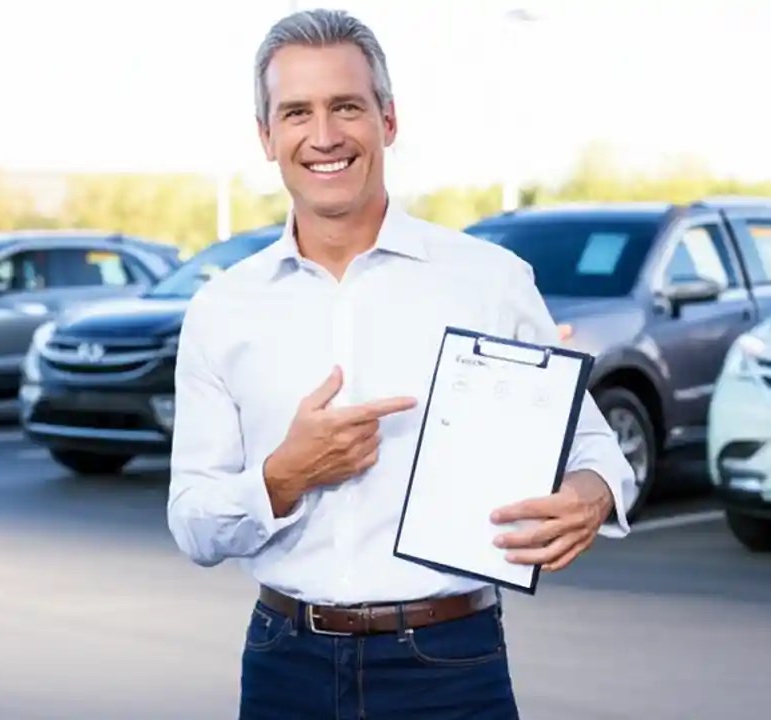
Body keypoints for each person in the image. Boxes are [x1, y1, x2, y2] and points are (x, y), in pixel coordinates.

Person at [166, 8, 637, 718]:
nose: (324, 136)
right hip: (284, 666)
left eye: (346, 107)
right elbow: (194, 523)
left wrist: (592, 495)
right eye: (297, 112)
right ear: (267, 136)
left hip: (449, 665)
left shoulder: (490, 280)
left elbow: (597, 449)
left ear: (388, 119)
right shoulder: (223, 309)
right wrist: (285, 474)